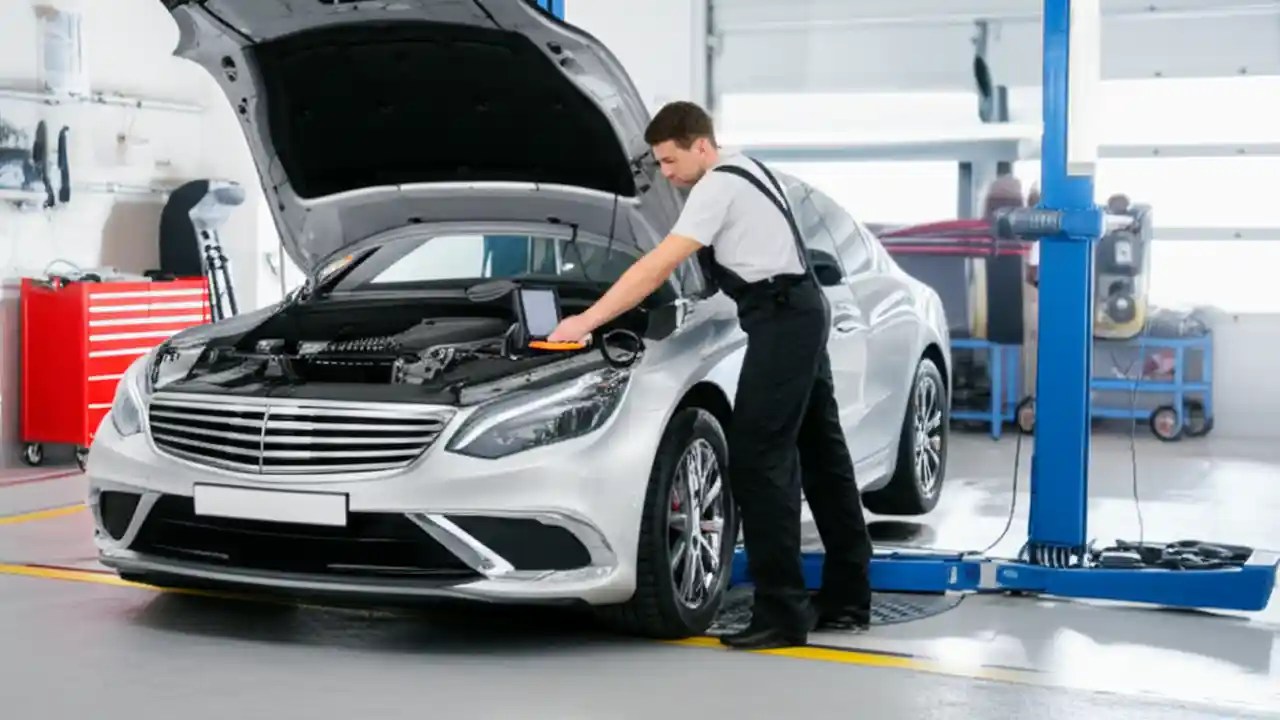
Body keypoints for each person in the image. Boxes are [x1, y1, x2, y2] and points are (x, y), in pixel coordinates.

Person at [547, 101, 873, 650]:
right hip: (800, 308)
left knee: (758, 460)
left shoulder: (717, 186)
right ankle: (847, 598)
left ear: (701, 145)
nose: (666, 174)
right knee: (823, 455)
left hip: (782, 318)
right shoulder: (754, 169)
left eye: (670, 160)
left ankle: (781, 614)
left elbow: (658, 264)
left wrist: (587, 319)